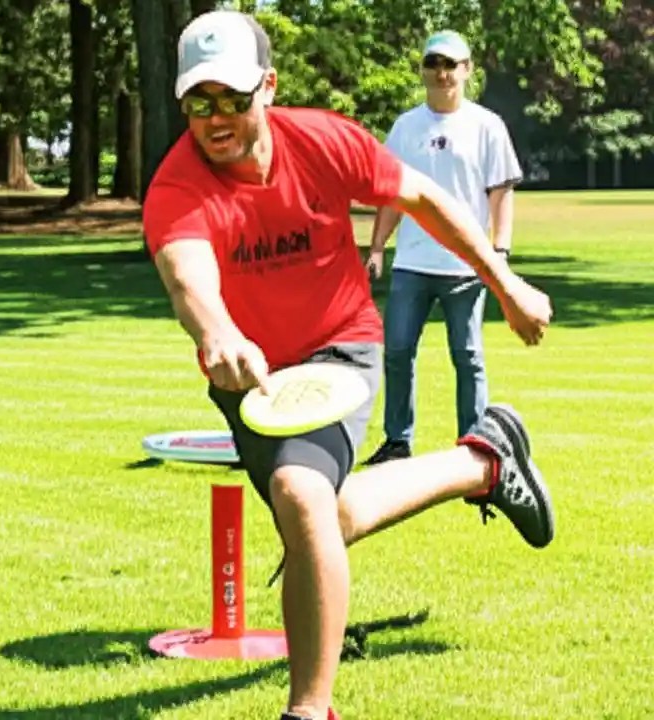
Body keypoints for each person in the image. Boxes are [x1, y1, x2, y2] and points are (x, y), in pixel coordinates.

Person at [142, 12, 554, 720]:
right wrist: (217, 332)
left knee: (302, 502)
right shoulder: (178, 186)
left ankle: (310, 712)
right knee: (321, 520)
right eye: (198, 103)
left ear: (266, 87)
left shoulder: (323, 140)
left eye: (234, 100)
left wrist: (504, 282)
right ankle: (481, 463)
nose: (215, 119)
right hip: (253, 376)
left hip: (341, 346)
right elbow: (188, 277)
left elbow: (423, 198)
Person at [363, 30, 523, 465]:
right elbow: (392, 195)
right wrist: (377, 247)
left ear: (468, 70)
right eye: (433, 63)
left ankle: (473, 443)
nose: (441, 73)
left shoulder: (486, 125)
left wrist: (499, 253)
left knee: (467, 356)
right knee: (396, 351)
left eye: (451, 64)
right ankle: (398, 441)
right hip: (413, 263)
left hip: (466, 267)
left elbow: (501, 191)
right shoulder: (405, 126)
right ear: (422, 70)